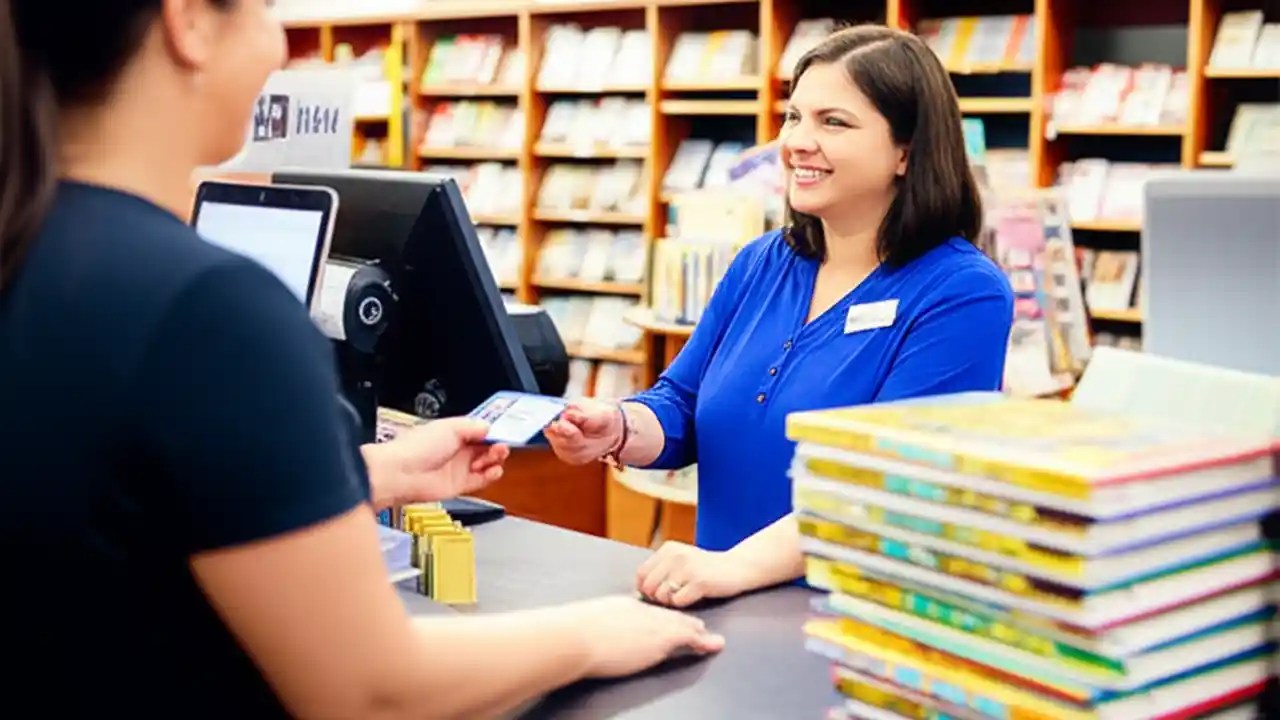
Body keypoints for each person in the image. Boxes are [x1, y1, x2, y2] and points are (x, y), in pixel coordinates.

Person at [0, 1, 722, 717]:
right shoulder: (208, 306)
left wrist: (372, 474)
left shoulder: (32, 250)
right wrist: (590, 632)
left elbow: (115, 497)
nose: (280, 43)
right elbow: (372, 691)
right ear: (188, 22)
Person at [546, 25, 1014, 608]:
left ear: (906, 151)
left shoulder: (962, 293)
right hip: (717, 609)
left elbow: (888, 487)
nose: (797, 142)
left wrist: (729, 569)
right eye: (794, 117)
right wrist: (616, 427)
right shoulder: (761, 264)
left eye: (832, 122)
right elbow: (682, 405)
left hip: (851, 631)